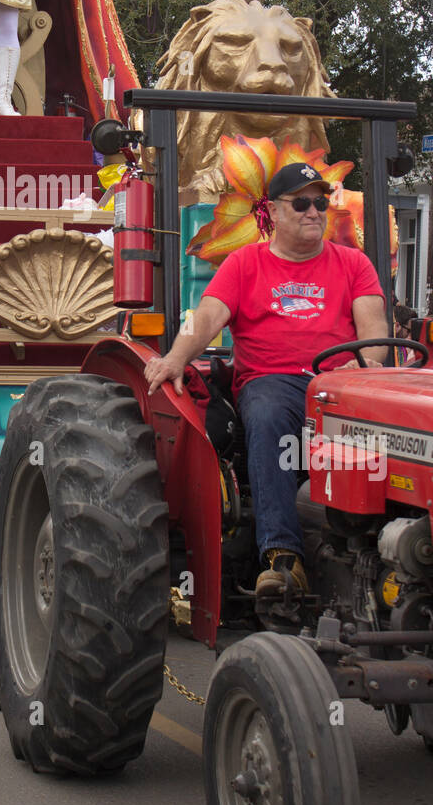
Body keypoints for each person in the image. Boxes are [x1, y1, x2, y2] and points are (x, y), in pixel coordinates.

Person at [145, 163, 388, 600]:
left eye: (320, 201)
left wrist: (364, 364)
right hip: (274, 382)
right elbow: (202, 319)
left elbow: (374, 334)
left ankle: (383, 552)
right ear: (274, 211)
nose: (314, 211)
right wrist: (176, 357)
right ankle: (282, 558)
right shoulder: (243, 264)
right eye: (301, 202)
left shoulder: (353, 263)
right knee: (269, 412)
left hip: (340, 384)